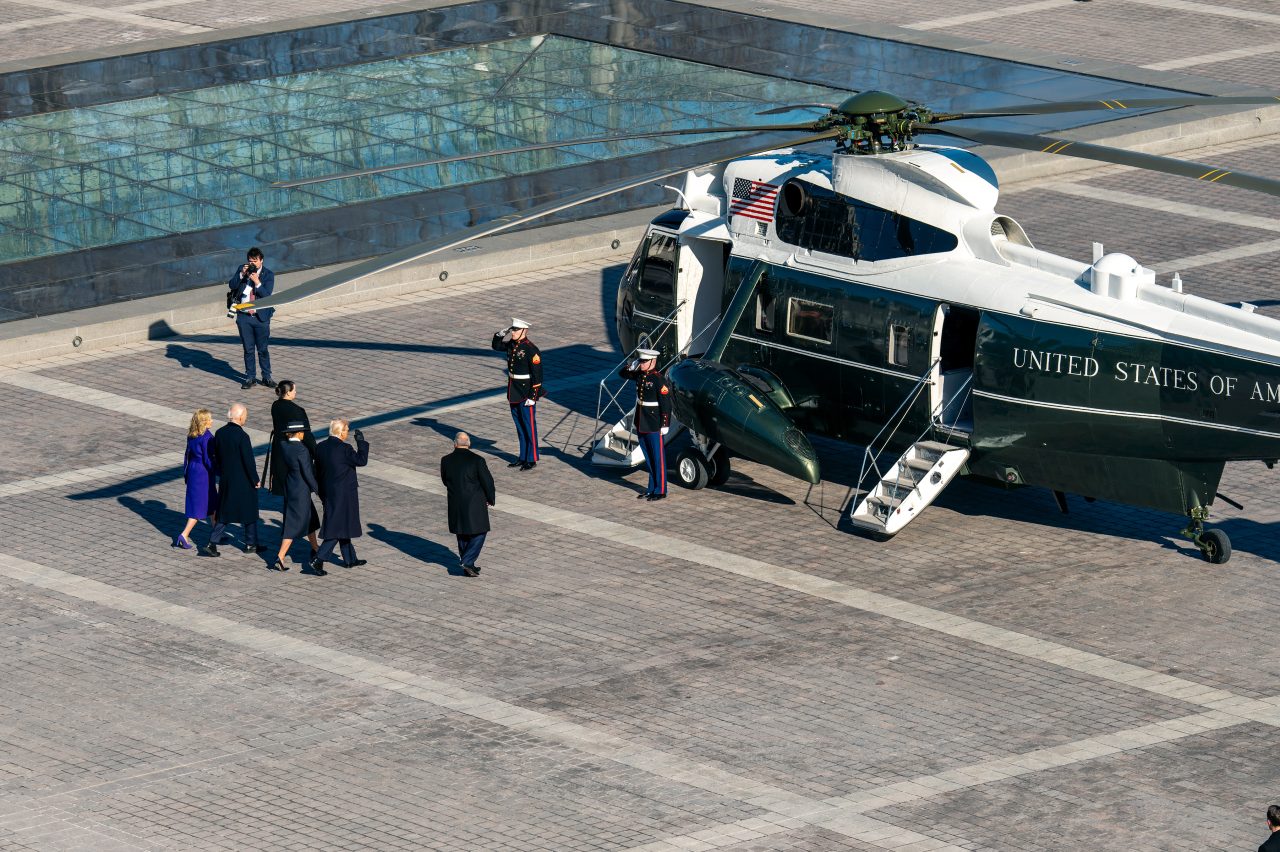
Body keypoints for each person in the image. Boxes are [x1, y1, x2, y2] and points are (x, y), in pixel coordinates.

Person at [204, 403, 262, 556]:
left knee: (225, 512)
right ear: (241, 417)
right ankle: (250, 543)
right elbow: (248, 461)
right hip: (243, 480)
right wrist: (255, 479)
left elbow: (215, 456)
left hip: (227, 479)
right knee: (249, 511)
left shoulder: (220, 433)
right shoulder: (243, 436)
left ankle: (212, 542)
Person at [313, 418, 370, 571]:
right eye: (346, 431)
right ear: (341, 432)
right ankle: (319, 558)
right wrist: (361, 443)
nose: (347, 434)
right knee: (337, 526)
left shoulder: (320, 447)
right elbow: (361, 460)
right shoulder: (345, 448)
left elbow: (316, 470)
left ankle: (350, 559)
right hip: (344, 494)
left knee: (343, 523)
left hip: (328, 492)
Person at [619, 347, 672, 501]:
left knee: (658, 458)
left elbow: (666, 404)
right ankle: (651, 488)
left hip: (654, 423)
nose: (641, 364)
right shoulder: (640, 375)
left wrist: (665, 424)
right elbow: (622, 374)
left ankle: (661, 489)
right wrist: (632, 364)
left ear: (652, 362)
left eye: (644, 361)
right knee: (648, 457)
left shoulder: (658, 380)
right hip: (641, 421)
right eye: (640, 361)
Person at [490, 318, 543, 470]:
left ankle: (531, 458)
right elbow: (496, 346)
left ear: (524, 331)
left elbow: (537, 375)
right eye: (512, 330)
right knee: (519, 426)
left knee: (529, 426)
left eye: (516, 330)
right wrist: (501, 333)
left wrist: (533, 397)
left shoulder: (531, 349)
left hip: (526, 392)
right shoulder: (512, 345)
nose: (513, 332)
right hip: (513, 390)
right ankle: (522, 456)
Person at [439, 432, 495, 577]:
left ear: (454, 443)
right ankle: (467, 560)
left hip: (455, 501)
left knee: (462, 532)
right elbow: (487, 482)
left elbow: (445, 480)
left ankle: (468, 567)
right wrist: (490, 498)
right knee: (480, 531)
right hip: (474, 502)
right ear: (469, 443)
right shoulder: (477, 460)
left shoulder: (446, 460)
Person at [275, 421, 322, 574]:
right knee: (294, 524)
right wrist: (317, 489)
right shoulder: (302, 450)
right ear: (299, 433)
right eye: (302, 431)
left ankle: (315, 548)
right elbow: (307, 473)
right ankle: (280, 556)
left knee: (310, 519)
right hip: (301, 491)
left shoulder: (285, 446)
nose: (304, 434)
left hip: (291, 487)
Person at [228, 247, 276, 390]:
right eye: (250, 261)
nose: (252, 264)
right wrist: (242, 275)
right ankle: (250, 377)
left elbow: (267, 295)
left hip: (260, 317)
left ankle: (267, 377)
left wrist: (257, 282)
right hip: (244, 316)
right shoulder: (242, 269)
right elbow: (232, 285)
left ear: (261, 260)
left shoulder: (268, 274)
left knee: (262, 349)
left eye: (255, 261)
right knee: (248, 349)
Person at [174, 408, 218, 550]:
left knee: (212, 502)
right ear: (204, 422)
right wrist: (218, 471)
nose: (212, 421)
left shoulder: (191, 435)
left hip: (193, 470)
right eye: (209, 419)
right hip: (203, 473)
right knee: (200, 506)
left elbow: (187, 454)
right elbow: (207, 459)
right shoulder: (207, 438)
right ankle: (184, 534)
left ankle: (216, 531)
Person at [265, 380, 317, 498]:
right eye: (294, 390)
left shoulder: (275, 405)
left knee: (284, 480)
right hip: (295, 449)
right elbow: (306, 435)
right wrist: (316, 451)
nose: (296, 392)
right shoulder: (296, 410)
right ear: (288, 392)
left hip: (280, 448)